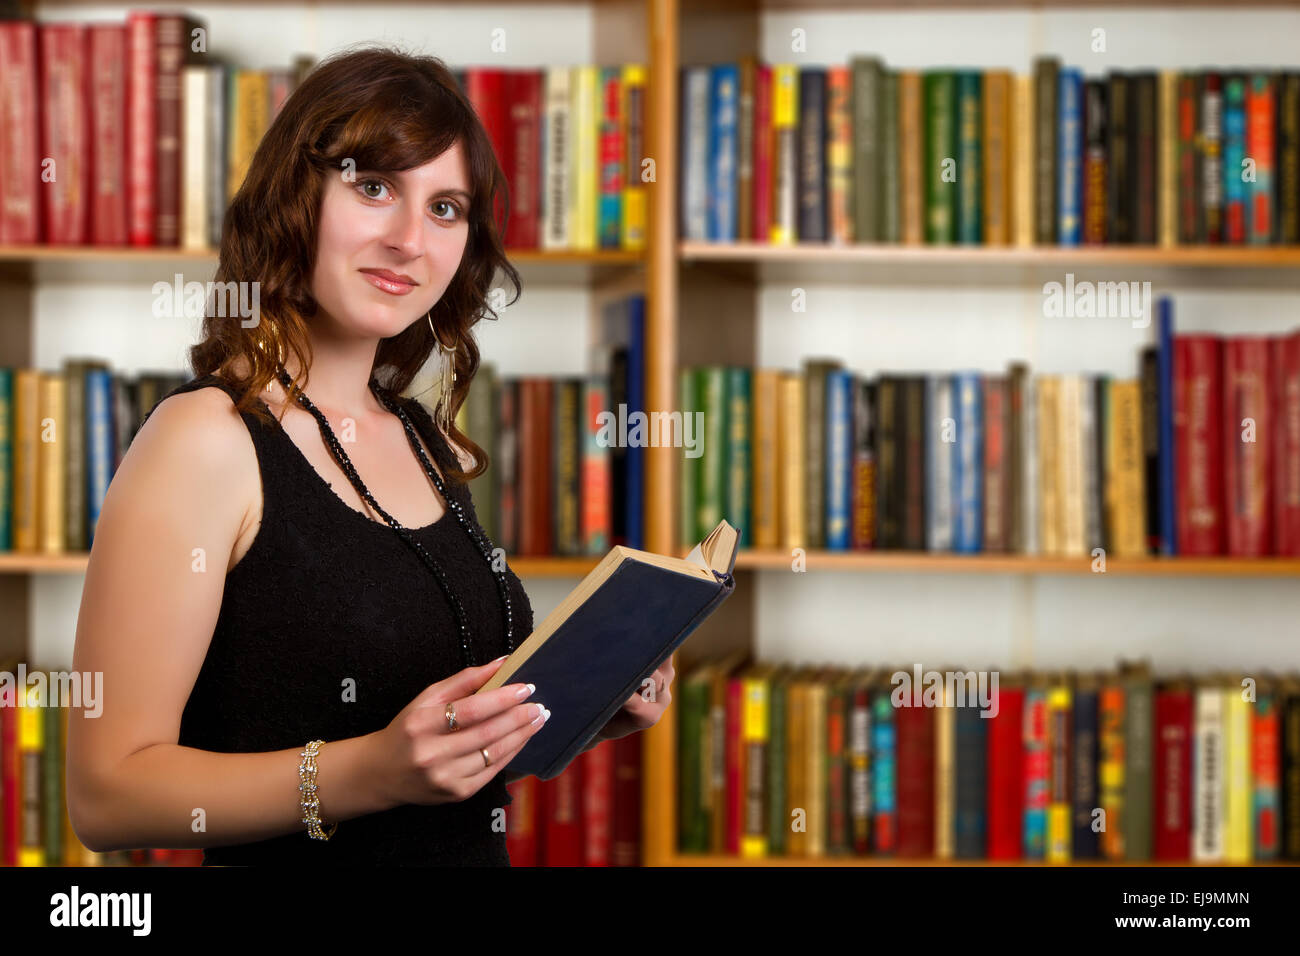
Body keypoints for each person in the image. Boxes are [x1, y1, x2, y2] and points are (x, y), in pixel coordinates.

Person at [65, 45, 673, 865]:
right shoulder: (205, 440)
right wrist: (372, 773)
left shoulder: (418, 435)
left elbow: (437, 756)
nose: (408, 240)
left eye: (446, 208)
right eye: (374, 186)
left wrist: (580, 705)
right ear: (295, 195)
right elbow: (107, 796)